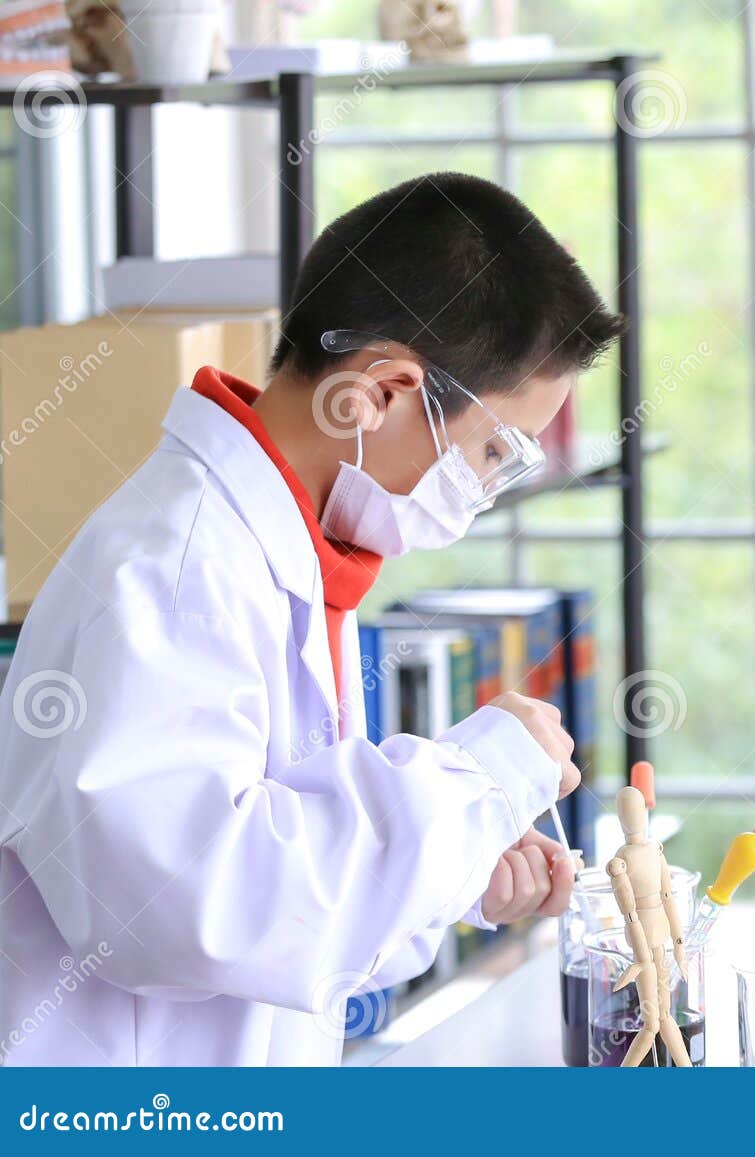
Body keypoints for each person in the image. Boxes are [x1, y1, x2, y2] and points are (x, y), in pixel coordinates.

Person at [0, 172, 625, 1065]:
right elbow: (187, 909)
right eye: (497, 451)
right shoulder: (175, 566)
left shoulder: (285, 553)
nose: (485, 491)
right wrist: (476, 780)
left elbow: (286, 905)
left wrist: (450, 868)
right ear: (380, 394)